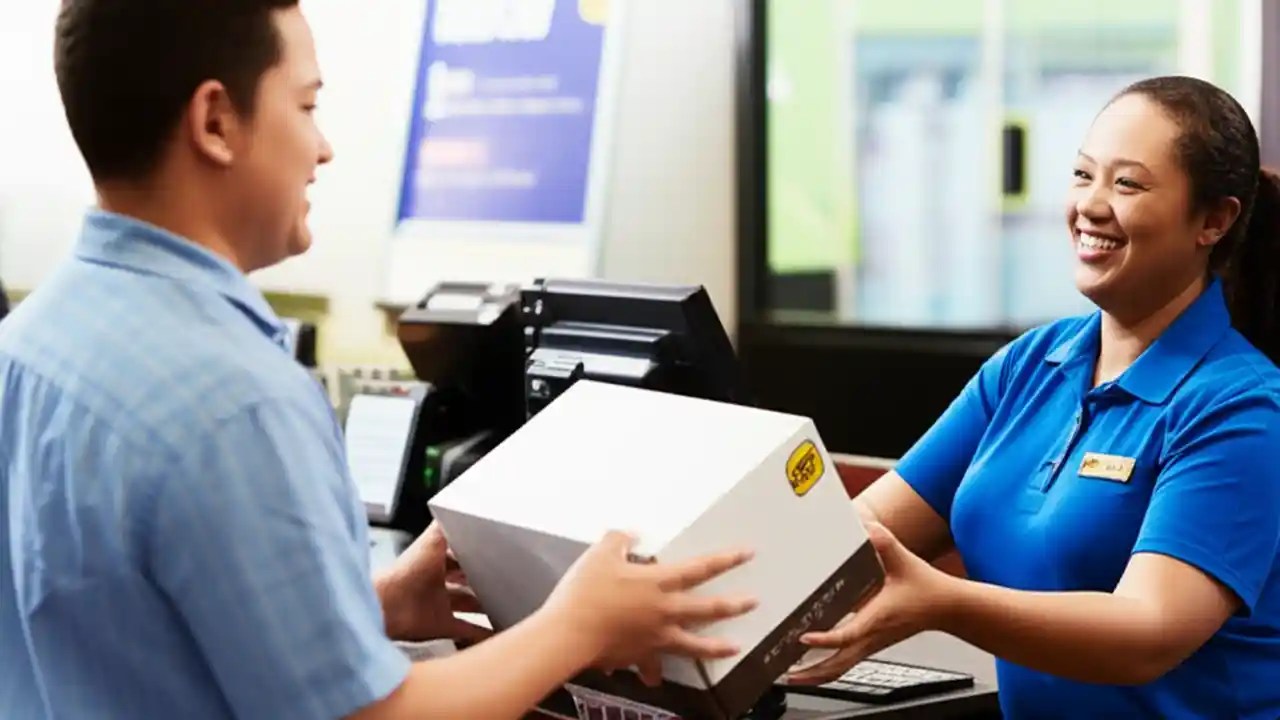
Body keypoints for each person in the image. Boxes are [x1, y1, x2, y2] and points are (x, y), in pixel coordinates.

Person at [0, 2, 756, 719]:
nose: (323, 147)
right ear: (216, 122)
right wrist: (580, 627)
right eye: (305, 106)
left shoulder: (26, 344)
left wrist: (373, 605)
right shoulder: (238, 402)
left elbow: (133, 628)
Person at [788, 75, 1280, 718]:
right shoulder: (1029, 366)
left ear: (1213, 220)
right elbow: (861, 533)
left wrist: (944, 601)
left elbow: (1148, 632)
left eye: (1127, 184)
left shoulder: (1242, 409)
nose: (1091, 206)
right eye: (1083, 175)